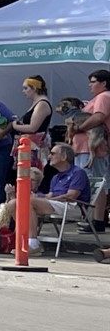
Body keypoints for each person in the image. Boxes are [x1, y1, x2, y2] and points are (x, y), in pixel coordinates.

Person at [72, 69, 110, 233]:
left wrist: (79, 128)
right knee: (89, 183)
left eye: (93, 82)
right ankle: (93, 218)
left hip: (93, 149)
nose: (90, 85)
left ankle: (98, 220)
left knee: (97, 182)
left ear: (104, 83)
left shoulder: (104, 97)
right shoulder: (98, 98)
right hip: (84, 148)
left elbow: (99, 117)